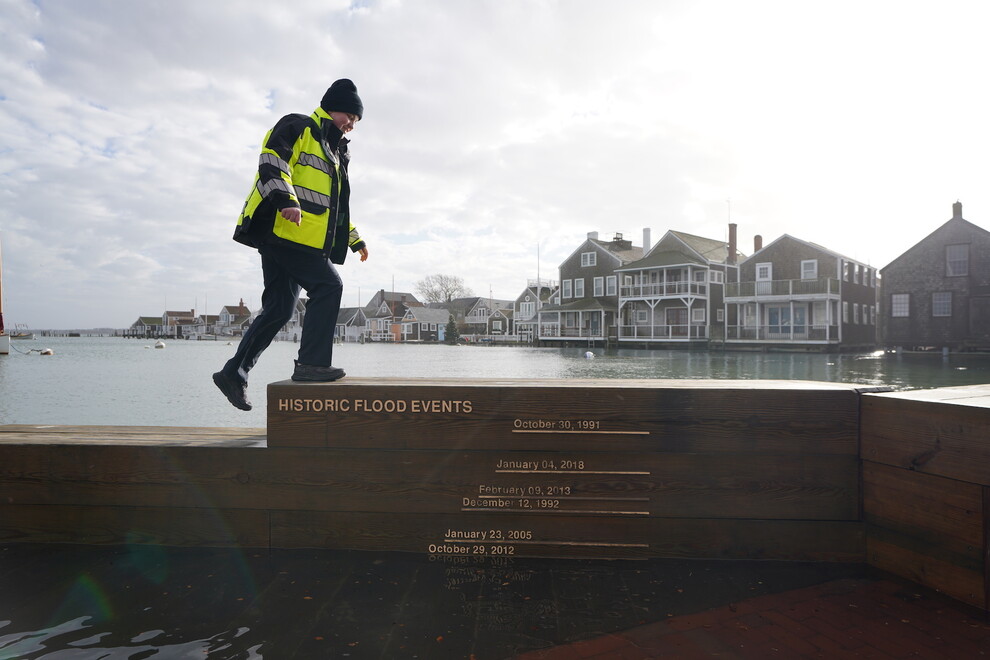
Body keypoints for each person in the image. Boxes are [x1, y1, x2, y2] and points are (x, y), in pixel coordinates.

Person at [213, 79, 369, 411]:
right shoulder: (298, 125)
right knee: (329, 285)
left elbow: (335, 207)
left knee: (280, 310)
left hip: (302, 239)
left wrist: (354, 240)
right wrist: (286, 199)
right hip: (282, 231)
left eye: (357, 120)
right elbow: (272, 161)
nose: (352, 123)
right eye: (349, 114)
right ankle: (311, 364)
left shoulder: (338, 151)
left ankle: (234, 373)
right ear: (331, 106)